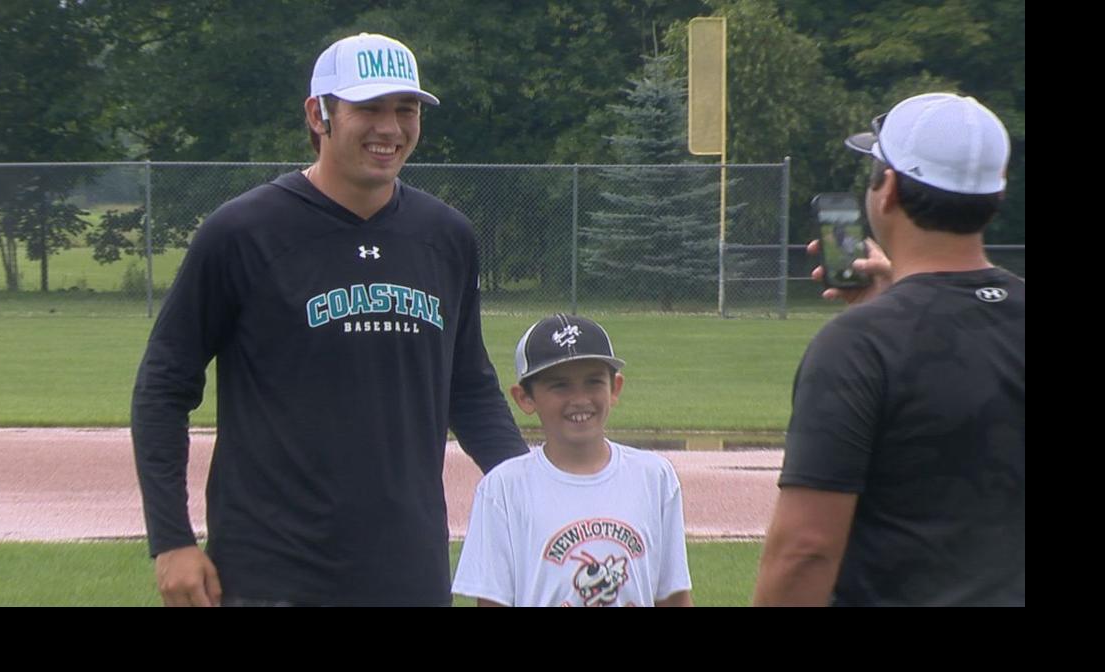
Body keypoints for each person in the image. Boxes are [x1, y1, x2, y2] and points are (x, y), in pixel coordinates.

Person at [131, 32, 527, 607]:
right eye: (368, 108)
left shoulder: (445, 236)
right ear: (318, 114)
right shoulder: (243, 233)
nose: (389, 128)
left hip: (408, 567)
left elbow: (468, 389)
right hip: (271, 571)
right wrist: (171, 540)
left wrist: (536, 498)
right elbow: (164, 386)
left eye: (405, 109)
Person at [754, 93, 1025, 606]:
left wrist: (888, 316)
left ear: (889, 189)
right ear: (996, 193)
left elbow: (805, 552)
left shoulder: (858, 345)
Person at [452, 314, 694, 607]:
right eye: (560, 385)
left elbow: (673, 595)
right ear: (525, 398)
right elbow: (493, 602)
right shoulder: (502, 488)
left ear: (615, 388)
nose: (580, 398)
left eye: (593, 382)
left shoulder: (654, 477)